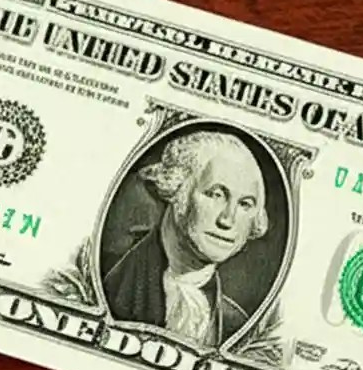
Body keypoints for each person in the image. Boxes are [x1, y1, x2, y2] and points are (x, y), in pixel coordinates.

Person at [102, 130, 269, 348]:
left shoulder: (237, 326)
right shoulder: (107, 280)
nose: (227, 220)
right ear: (177, 188)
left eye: (245, 204)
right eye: (216, 195)